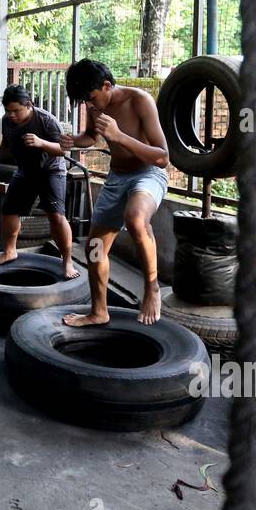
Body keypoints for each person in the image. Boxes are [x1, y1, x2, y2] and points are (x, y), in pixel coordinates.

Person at [58, 59, 171, 325]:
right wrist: (73, 141)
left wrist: (119, 136)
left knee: (135, 218)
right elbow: (90, 137)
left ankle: (152, 287)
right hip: (116, 177)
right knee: (95, 248)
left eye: (91, 98)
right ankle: (99, 312)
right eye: (84, 101)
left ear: (107, 85)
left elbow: (163, 157)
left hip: (147, 174)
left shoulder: (139, 101)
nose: (88, 105)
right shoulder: (96, 105)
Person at [0, 84, 78, 280]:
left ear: (29, 105)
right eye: (7, 110)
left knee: (56, 216)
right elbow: (2, 145)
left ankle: (67, 261)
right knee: (9, 209)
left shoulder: (47, 121)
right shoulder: (5, 121)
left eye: (16, 110)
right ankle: (10, 251)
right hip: (26, 171)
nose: (11, 115)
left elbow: (65, 151)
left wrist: (41, 143)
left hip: (51, 170)